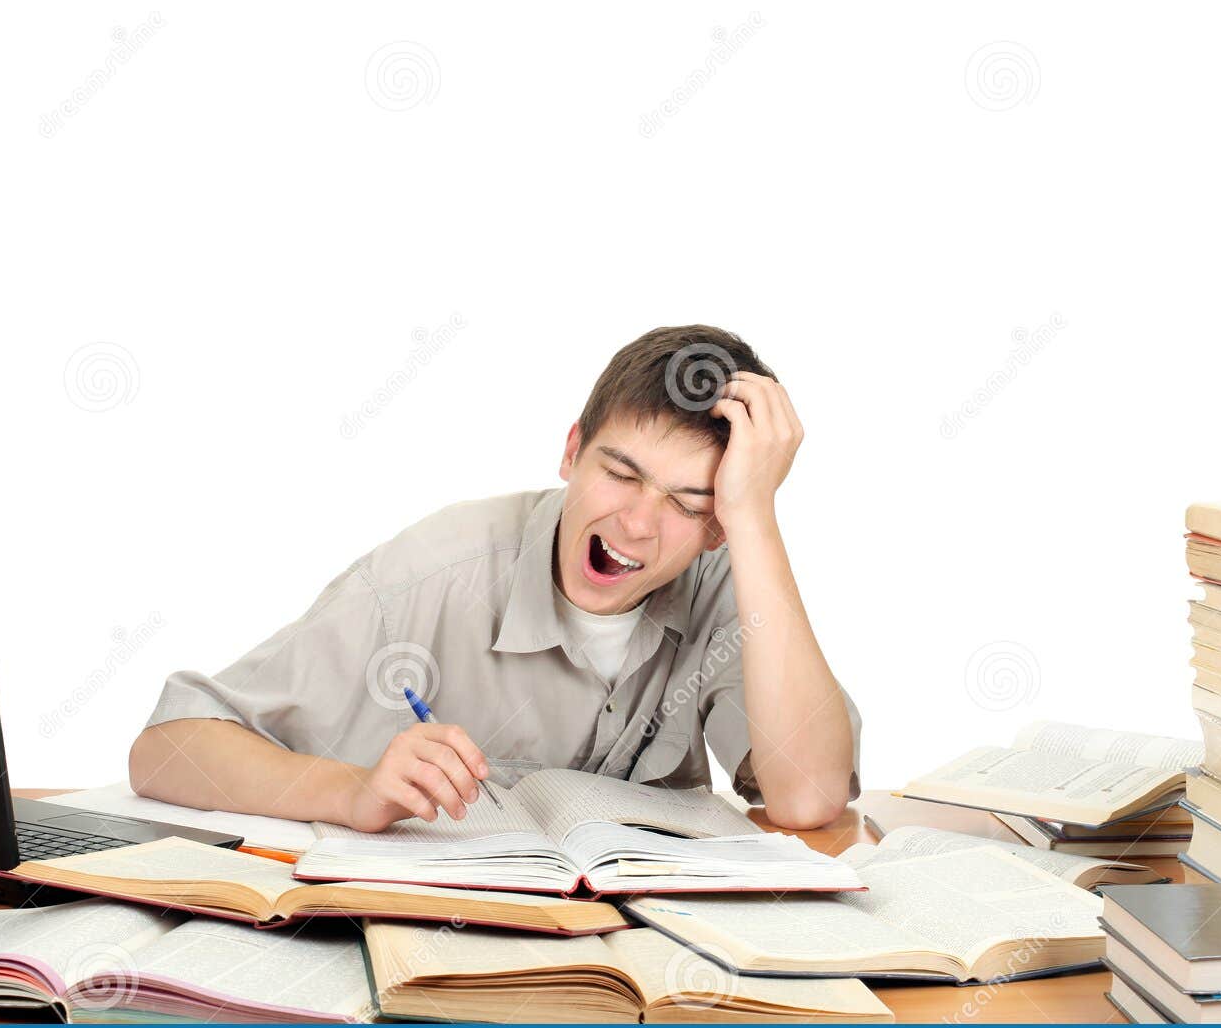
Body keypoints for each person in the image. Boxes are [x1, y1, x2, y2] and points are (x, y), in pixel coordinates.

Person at [129, 325, 861, 831]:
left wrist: (754, 520)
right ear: (572, 450)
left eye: (688, 501)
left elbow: (809, 799)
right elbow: (168, 748)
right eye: (620, 473)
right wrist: (353, 791)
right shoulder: (436, 571)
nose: (639, 523)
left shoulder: (730, 573)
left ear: (715, 525)